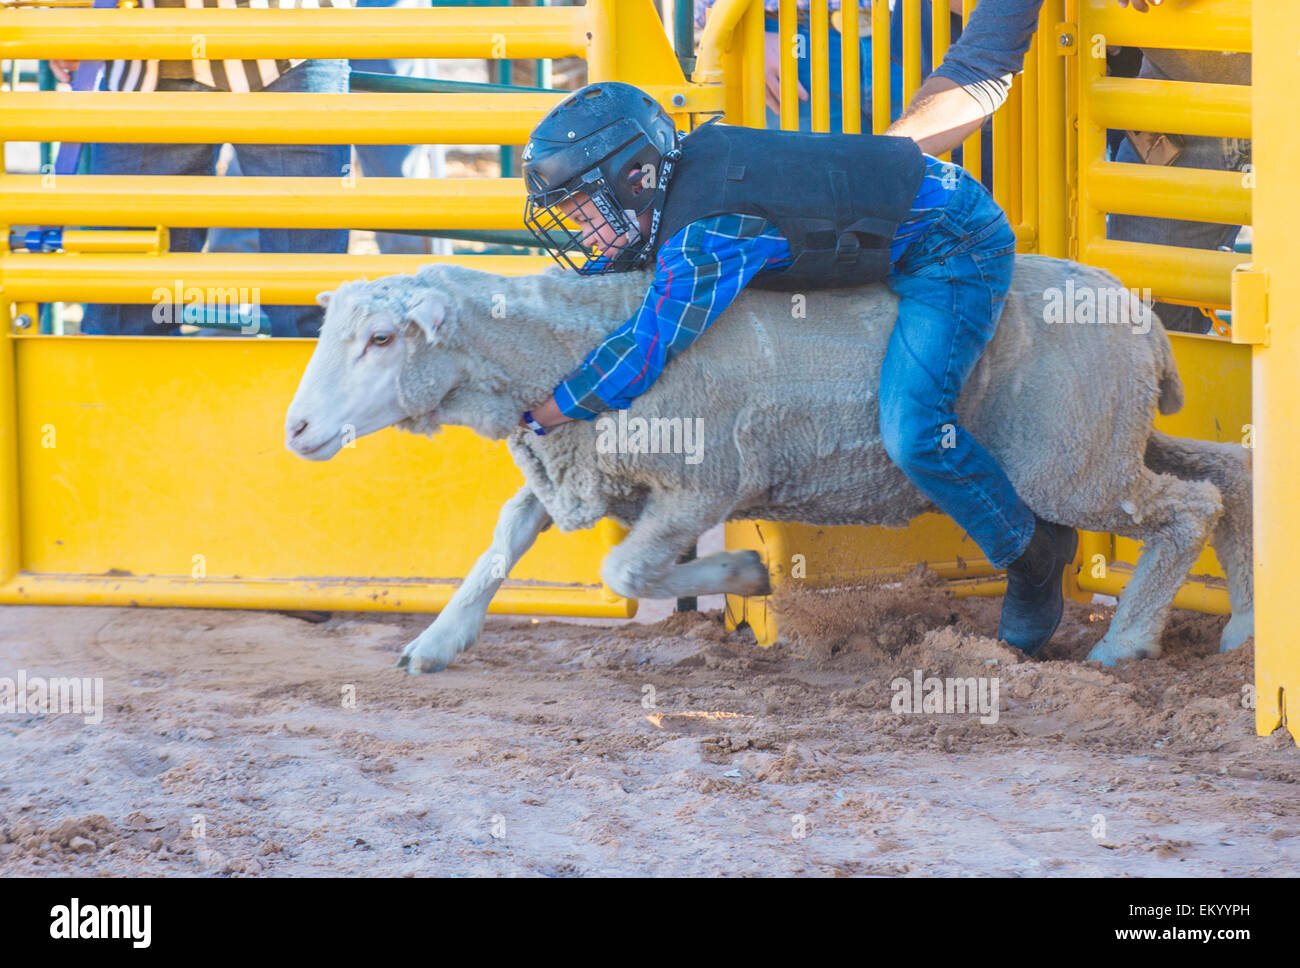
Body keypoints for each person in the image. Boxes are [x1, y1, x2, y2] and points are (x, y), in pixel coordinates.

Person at [517, 81, 1078, 656]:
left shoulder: (704, 234)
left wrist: (548, 412)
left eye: (584, 212)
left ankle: (1031, 556)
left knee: (913, 433)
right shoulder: (681, 177)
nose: (580, 234)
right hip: (896, 227)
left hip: (951, 243)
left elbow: (646, 347)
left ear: (635, 181)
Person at [50, 0, 352, 338]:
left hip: (288, 40)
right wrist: (68, 17)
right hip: (143, 55)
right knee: (128, 307)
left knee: (309, 303)